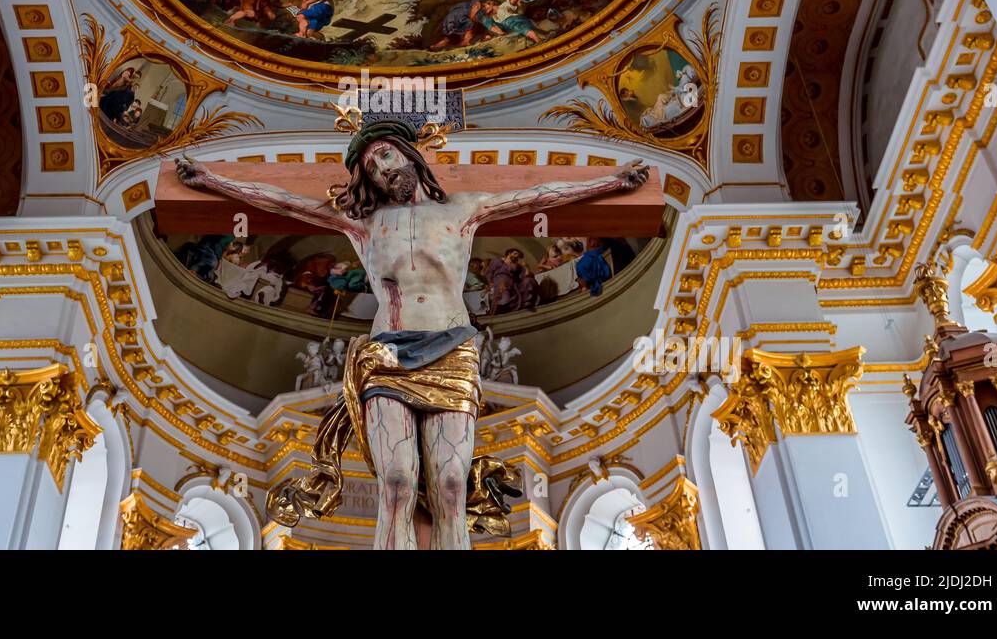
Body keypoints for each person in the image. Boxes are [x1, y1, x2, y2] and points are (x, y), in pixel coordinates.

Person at [177, 123, 650, 548]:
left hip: (453, 350)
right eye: (370, 168)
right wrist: (211, 181)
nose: (381, 171)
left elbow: (540, 195)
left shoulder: (465, 209)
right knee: (398, 483)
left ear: (407, 153)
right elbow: (282, 200)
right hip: (387, 355)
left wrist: (612, 181)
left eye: (384, 156)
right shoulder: (363, 224)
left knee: (450, 486)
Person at [486, 248, 540, 314]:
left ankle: (526, 302)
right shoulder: (498, 261)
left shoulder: (517, 266)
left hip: (514, 285)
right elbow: (490, 272)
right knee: (504, 294)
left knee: (529, 281)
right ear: (509, 253)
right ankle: (501, 307)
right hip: (500, 281)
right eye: (515, 254)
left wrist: (526, 267)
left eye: (518, 256)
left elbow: (525, 275)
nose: (516, 256)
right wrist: (490, 283)